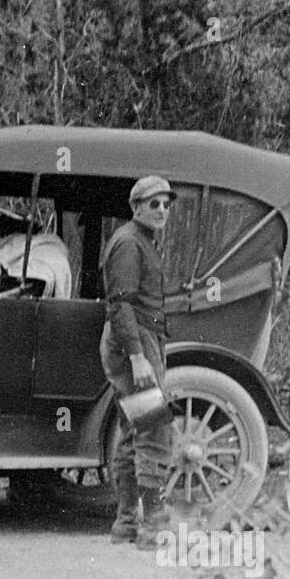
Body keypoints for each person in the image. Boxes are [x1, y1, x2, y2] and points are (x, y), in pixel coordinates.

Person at [101, 175, 176, 546]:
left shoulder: (142, 241)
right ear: (136, 207)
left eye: (166, 204)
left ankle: (126, 523)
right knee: (151, 427)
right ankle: (152, 526)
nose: (162, 210)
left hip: (140, 339)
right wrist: (138, 357)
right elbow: (120, 304)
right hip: (133, 341)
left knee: (134, 429)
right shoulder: (129, 243)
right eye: (153, 203)